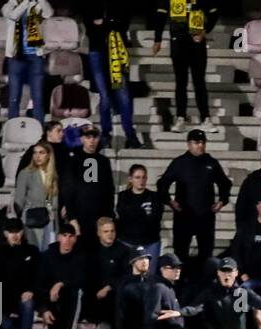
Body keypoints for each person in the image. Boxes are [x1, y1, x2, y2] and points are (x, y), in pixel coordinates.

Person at [156, 129, 232, 274]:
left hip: (206, 218)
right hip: (183, 217)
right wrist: (169, 201)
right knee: (180, 255)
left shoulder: (211, 163)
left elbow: (225, 183)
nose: (200, 146)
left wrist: (222, 201)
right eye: (196, 143)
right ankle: (180, 287)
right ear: (189, 144)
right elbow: (162, 183)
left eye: (203, 142)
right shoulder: (179, 163)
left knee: (207, 256)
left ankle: (205, 287)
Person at [81, 1, 143, 149]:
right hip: (97, 51)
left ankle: (130, 136)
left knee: (124, 95)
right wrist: (109, 24)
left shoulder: (120, 5)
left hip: (117, 50)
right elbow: (90, 26)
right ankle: (105, 135)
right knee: (105, 95)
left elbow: (123, 25)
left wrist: (104, 23)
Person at [151, 0, 218, 129]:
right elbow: (160, 17)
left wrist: (204, 31)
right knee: (181, 81)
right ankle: (181, 117)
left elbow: (214, 13)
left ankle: (205, 118)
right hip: (178, 41)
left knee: (199, 81)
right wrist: (157, 40)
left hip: (197, 42)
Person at [60, 125, 116, 246]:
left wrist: (109, 216)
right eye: (88, 137)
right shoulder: (73, 161)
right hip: (80, 216)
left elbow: (109, 190)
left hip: (100, 217)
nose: (91, 141)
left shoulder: (103, 161)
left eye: (94, 137)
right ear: (81, 139)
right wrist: (72, 218)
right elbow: (67, 191)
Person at [1, 0, 53, 123]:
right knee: (14, 97)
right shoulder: (9, 5)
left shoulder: (36, 5)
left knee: (38, 97)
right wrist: (25, 2)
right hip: (16, 57)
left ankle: (39, 131)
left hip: (35, 56)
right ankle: (12, 127)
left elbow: (49, 13)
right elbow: (14, 16)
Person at [0, 217, 40, 329]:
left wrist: (31, 290)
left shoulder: (32, 251)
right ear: (5, 233)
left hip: (25, 296)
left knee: (28, 303)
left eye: (17, 231)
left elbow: (39, 275)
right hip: (4, 299)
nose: (15, 235)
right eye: (11, 232)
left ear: (22, 232)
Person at [13, 141, 60, 251]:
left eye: (41, 153)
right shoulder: (25, 173)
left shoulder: (53, 175)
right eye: (35, 153)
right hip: (32, 221)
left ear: (49, 155)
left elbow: (52, 199)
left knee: (49, 253)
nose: (37, 156)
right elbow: (18, 201)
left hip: (51, 220)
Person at [115, 164, 163, 266]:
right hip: (127, 242)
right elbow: (124, 216)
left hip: (150, 242)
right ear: (130, 179)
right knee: (128, 275)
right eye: (137, 177)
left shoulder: (154, 196)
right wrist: (143, 213)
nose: (141, 180)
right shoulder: (123, 196)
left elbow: (155, 219)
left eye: (143, 177)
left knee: (149, 276)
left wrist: (134, 212)